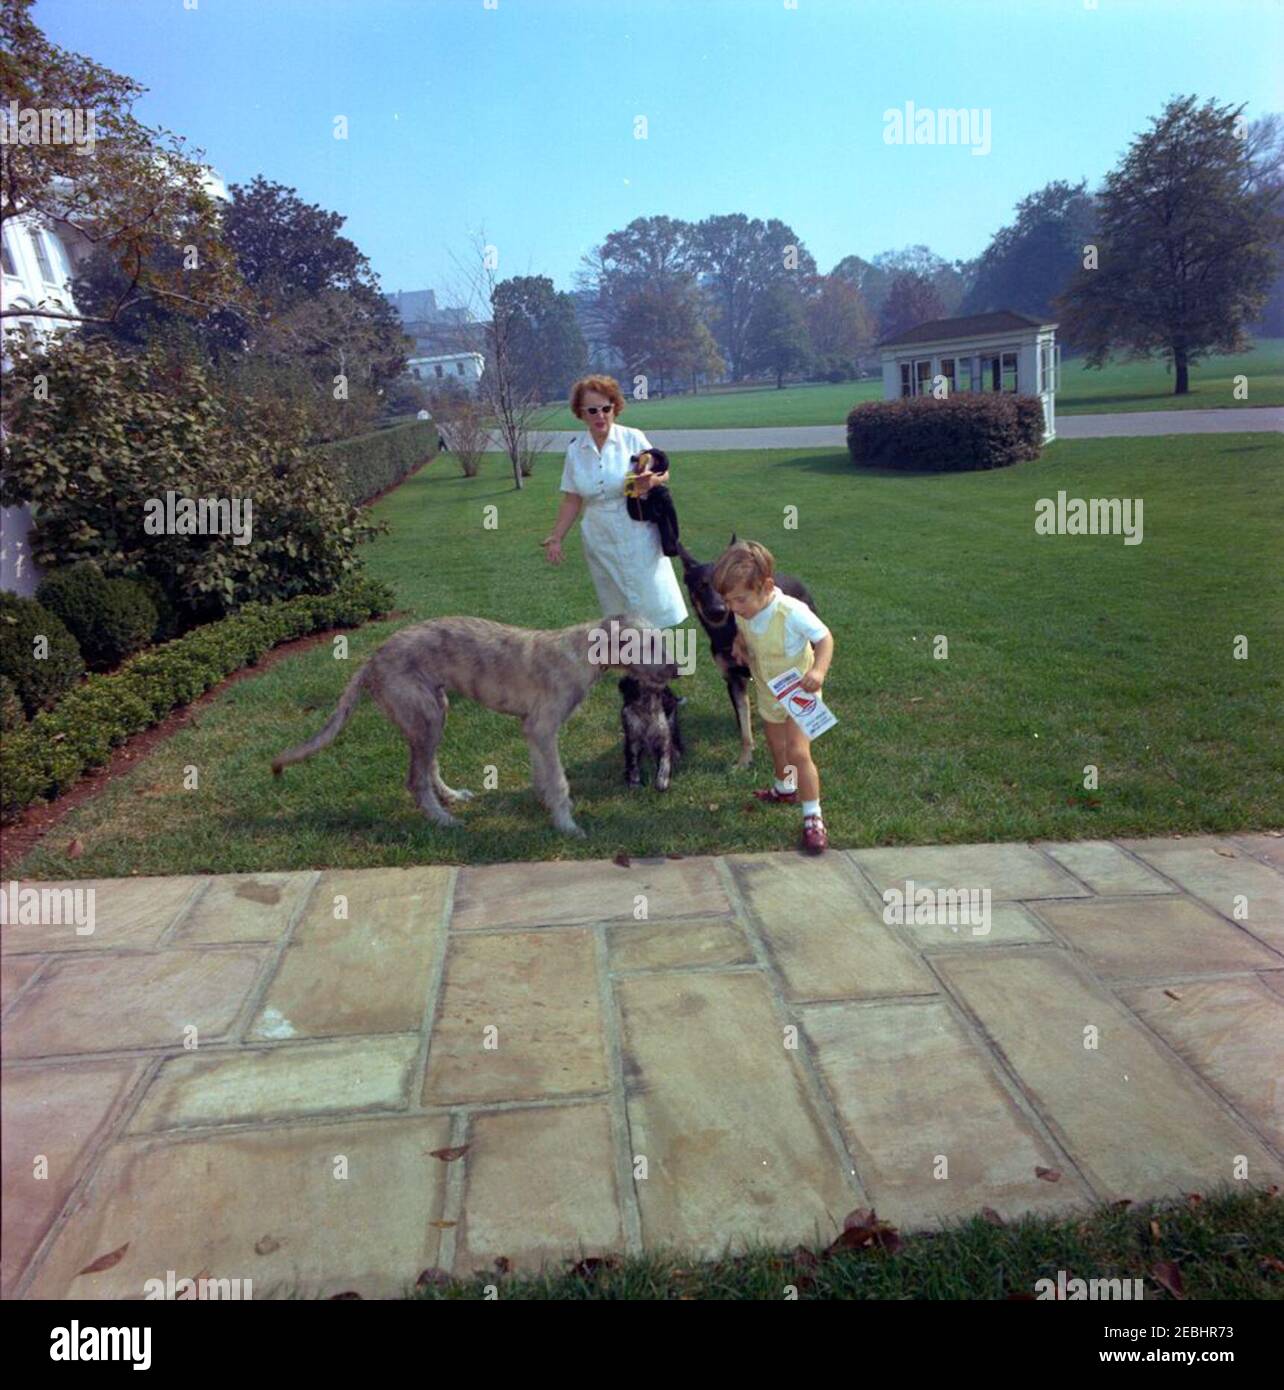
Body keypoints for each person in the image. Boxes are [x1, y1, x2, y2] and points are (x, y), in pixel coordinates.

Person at [712, 540, 834, 854]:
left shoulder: (791, 611)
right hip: (768, 691)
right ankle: (784, 788)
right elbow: (744, 628)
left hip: (800, 691)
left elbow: (824, 639)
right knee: (776, 747)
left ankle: (813, 816)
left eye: (739, 600)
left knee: (797, 751)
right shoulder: (744, 610)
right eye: (728, 601)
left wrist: (818, 672)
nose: (733, 608)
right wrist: (740, 643)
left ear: (766, 586)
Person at [541, 376, 688, 631]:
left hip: (636, 532)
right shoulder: (576, 450)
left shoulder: (633, 438)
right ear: (581, 413)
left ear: (615, 407)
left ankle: (660, 663)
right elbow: (572, 498)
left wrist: (651, 481)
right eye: (593, 410)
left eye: (606, 408)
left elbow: (664, 471)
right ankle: (634, 663)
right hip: (600, 537)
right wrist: (556, 537)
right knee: (617, 604)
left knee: (649, 597)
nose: (601, 416)